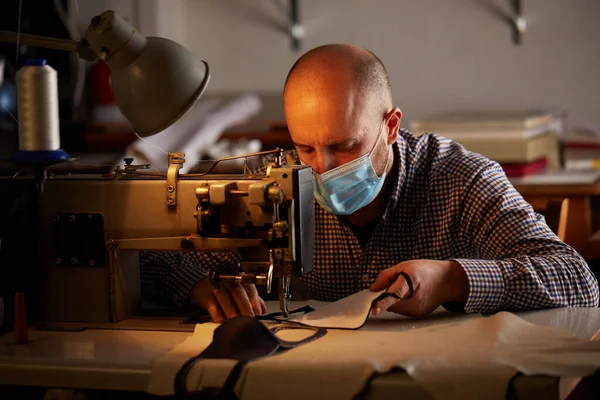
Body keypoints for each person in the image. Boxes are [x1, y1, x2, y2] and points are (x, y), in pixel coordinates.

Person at [140, 44, 599, 323]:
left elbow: (576, 279)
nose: (322, 169)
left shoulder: (460, 179)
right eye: (307, 148)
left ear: (392, 126)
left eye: (343, 146)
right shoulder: (271, 183)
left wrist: (453, 279)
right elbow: (147, 260)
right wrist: (203, 287)